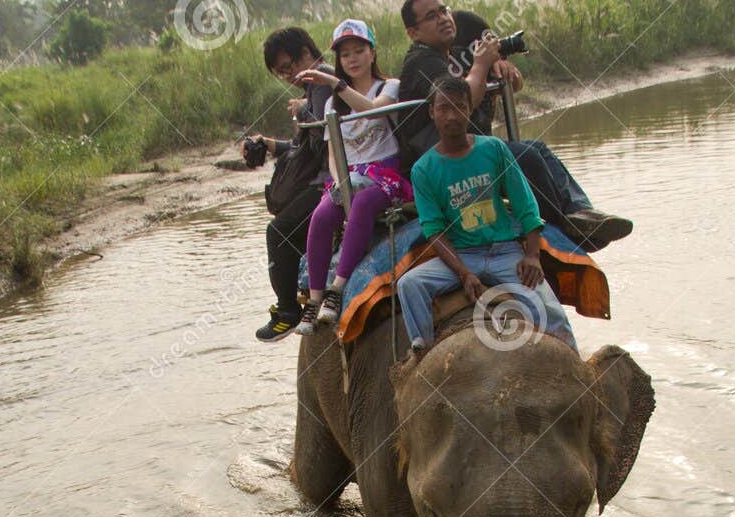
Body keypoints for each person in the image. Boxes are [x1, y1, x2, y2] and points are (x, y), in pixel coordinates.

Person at [395, 0, 631, 252]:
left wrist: (500, 66)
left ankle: (580, 212)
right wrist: (481, 65)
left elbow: (514, 83)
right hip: (441, 159)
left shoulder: (452, 56)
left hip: (464, 147)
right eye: (431, 16)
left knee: (537, 148)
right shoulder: (422, 62)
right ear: (413, 33)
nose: (443, 18)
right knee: (526, 157)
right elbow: (462, 103)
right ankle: (559, 232)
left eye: (443, 10)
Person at [397, 76, 576, 355]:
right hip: (462, 254)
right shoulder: (423, 169)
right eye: (443, 108)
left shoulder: (493, 149)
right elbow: (434, 230)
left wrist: (532, 255)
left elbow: (524, 204)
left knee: (552, 314)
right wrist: (464, 273)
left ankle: (575, 370)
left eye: (459, 107)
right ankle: (422, 351)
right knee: (408, 284)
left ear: (470, 109)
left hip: (504, 251)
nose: (451, 116)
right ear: (432, 112)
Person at [291, 19, 413, 335]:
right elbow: (334, 152)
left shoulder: (389, 86)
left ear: (372, 53)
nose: (353, 59)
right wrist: (339, 182)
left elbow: (374, 110)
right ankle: (315, 299)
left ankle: (338, 286)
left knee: (361, 205)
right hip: (350, 174)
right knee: (321, 216)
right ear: (339, 61)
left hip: (384, 173)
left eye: (359, 51)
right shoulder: (334, 104)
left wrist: (336, 85)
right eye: (345, 55)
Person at [244, 28, 336, 342]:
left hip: (330, 180)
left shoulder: (322, 77)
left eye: (291, 66)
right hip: (321, 176)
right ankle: (302, 290)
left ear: (308, 53)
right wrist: (269, 144)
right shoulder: (313, 85)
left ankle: (286, 311)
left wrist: (303, 111)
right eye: (282, 72)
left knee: (278, 232)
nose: (290, 75)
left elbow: (327, 132)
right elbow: (302, 147)